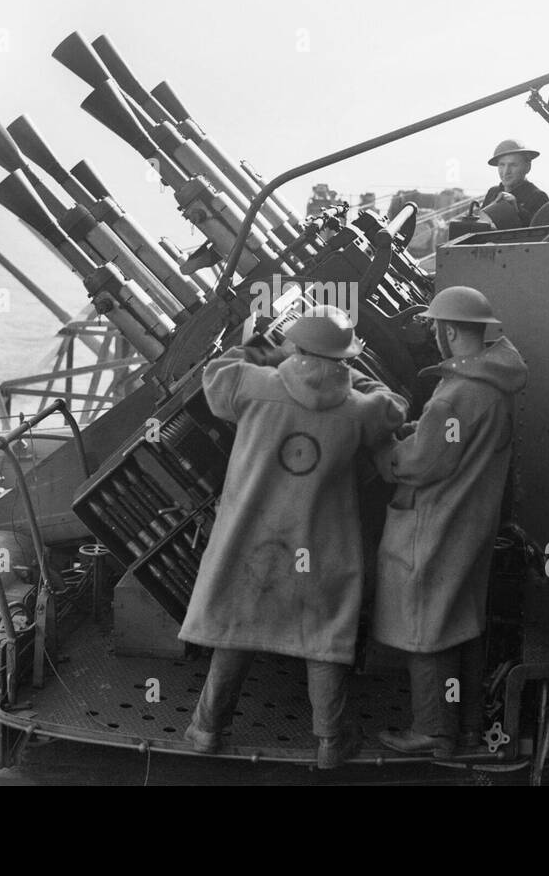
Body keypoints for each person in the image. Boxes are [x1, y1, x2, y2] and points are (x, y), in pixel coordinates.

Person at [179, 305, 408, 769]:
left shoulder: (251, 385)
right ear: (344, 357)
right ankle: (329, 741)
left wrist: (263, 348)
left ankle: (206, 730)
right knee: (322, 641)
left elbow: (215, 373)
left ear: (295, 346)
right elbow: (395, 408)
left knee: (234, 628)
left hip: (252, 540)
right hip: (319, 547)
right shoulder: (359, 410)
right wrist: (350, 375)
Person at [371, 286, 528, 757]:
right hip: (472, 522)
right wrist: (424, 431)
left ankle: (432, 732)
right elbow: (456, 443)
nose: (434, 336)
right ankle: (466, 728)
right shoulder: (493, 383)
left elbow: (419, 464)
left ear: (452, 331)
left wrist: (385, 447)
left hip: (434, 524)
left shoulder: (456, 394)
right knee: (460, 623)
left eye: (437, 328)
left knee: (423, 627)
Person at [480, 139, 549, 228]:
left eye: (513, 165)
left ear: (527, 167)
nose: (505, 172)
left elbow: (539, 234)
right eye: (502, 165)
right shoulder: (493, 192)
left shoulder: (538, 197)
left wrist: (517, 210)